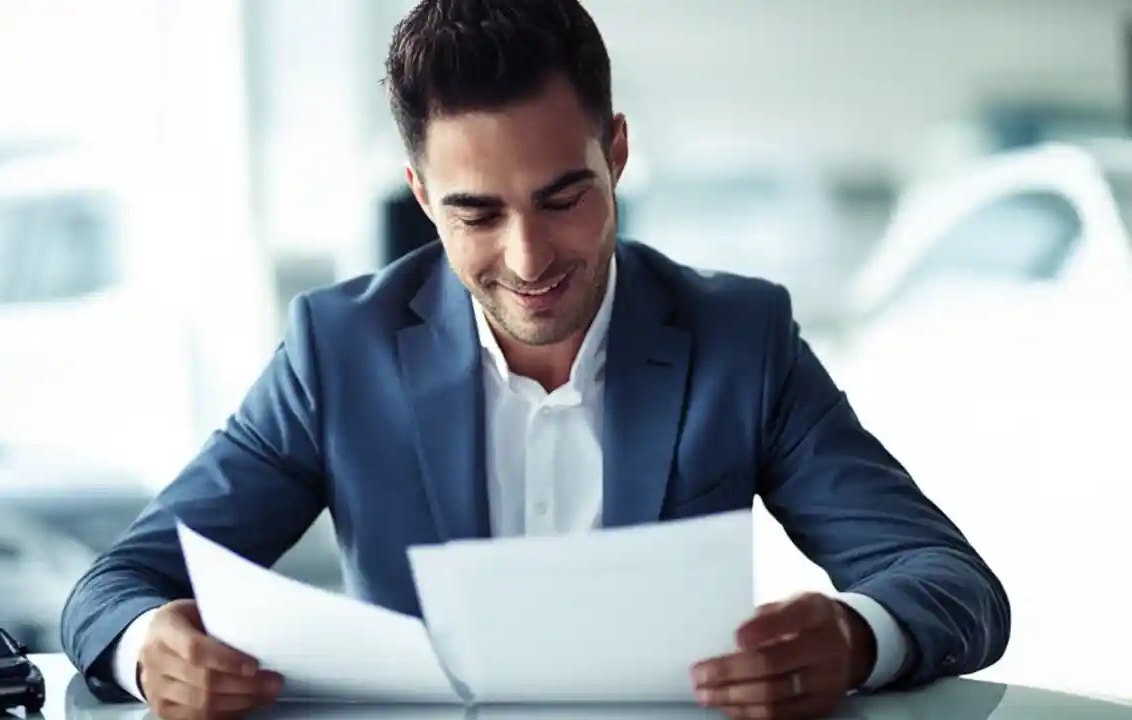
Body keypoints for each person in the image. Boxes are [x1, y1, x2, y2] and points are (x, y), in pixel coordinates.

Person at [61, 1, 1010, 718]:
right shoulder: (335, 351)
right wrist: (153, 649)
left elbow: (950, 582)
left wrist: (853, 635)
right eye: (476, 213)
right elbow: (113, 590)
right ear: (423, 198)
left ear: (617, 155)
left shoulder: (739, 339)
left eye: (563, 199)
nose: (527, 260)